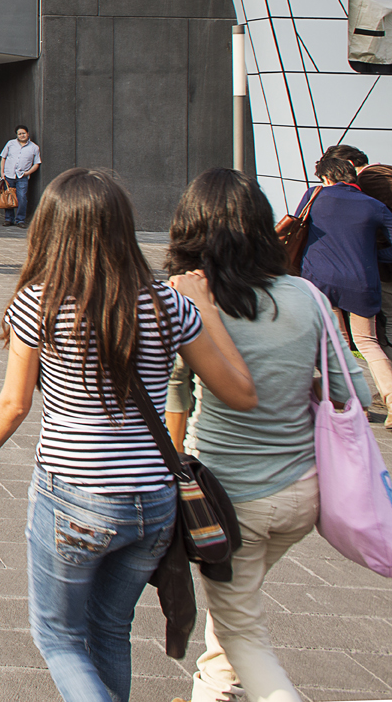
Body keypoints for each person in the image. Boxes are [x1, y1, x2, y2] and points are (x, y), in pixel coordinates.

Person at [0, 168, 256, 702]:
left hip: (74, 492)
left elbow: (15, 402)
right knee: (109, 628)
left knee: (58, 637)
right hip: (155, 499)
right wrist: (206, 309)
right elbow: (239, 392)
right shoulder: (170, 304)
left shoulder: (39, 302)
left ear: (51, 229)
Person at [160, 169, 372, 702]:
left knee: (241, 636)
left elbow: (175, 393)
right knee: (233, 621)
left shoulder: (190, 301)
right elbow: (357, 393)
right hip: (304, 496)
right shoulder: (307, 295)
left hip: (232, 505)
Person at [296, 153, 392, 421]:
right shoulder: (374, 205)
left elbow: (297, 227)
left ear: (326, 178)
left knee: (338, 343)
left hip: (321, 280)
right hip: (361, 282)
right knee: (368, 342)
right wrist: (374, 255)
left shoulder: (314, 196)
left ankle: (352, 403)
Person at [0, 125, 42, 228]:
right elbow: (3, 158)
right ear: (17, 135)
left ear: (28, 134)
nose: (22, 135)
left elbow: (37, 163)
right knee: (8, 196)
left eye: (24, 133)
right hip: (9, 175)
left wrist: (28, 173)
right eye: (20, 134)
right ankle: (8, 219)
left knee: (22, 198)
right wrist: (2, 172)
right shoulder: (10, 143)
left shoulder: (34, 147)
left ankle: (20, 220)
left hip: (22, 176)